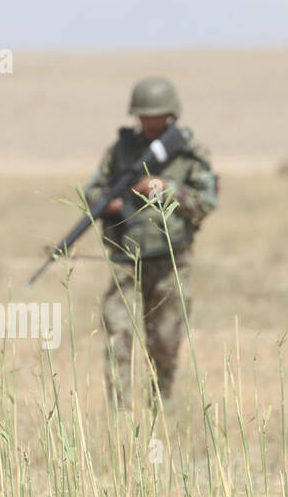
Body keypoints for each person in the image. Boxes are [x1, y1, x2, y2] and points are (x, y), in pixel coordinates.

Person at [82, 76, 218, 406]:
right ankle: (120, 416)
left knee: (166, 339)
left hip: (170, 261)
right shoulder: (120, 151)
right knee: (117, 332)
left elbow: (206, 201)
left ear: (171, 114)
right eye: (145, 116)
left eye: (157, 116)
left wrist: (166, 189)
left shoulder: (188, 152)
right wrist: (109, 203)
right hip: (126, 260)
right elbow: (93, 192)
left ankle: (162, 408)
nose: (151, 122)